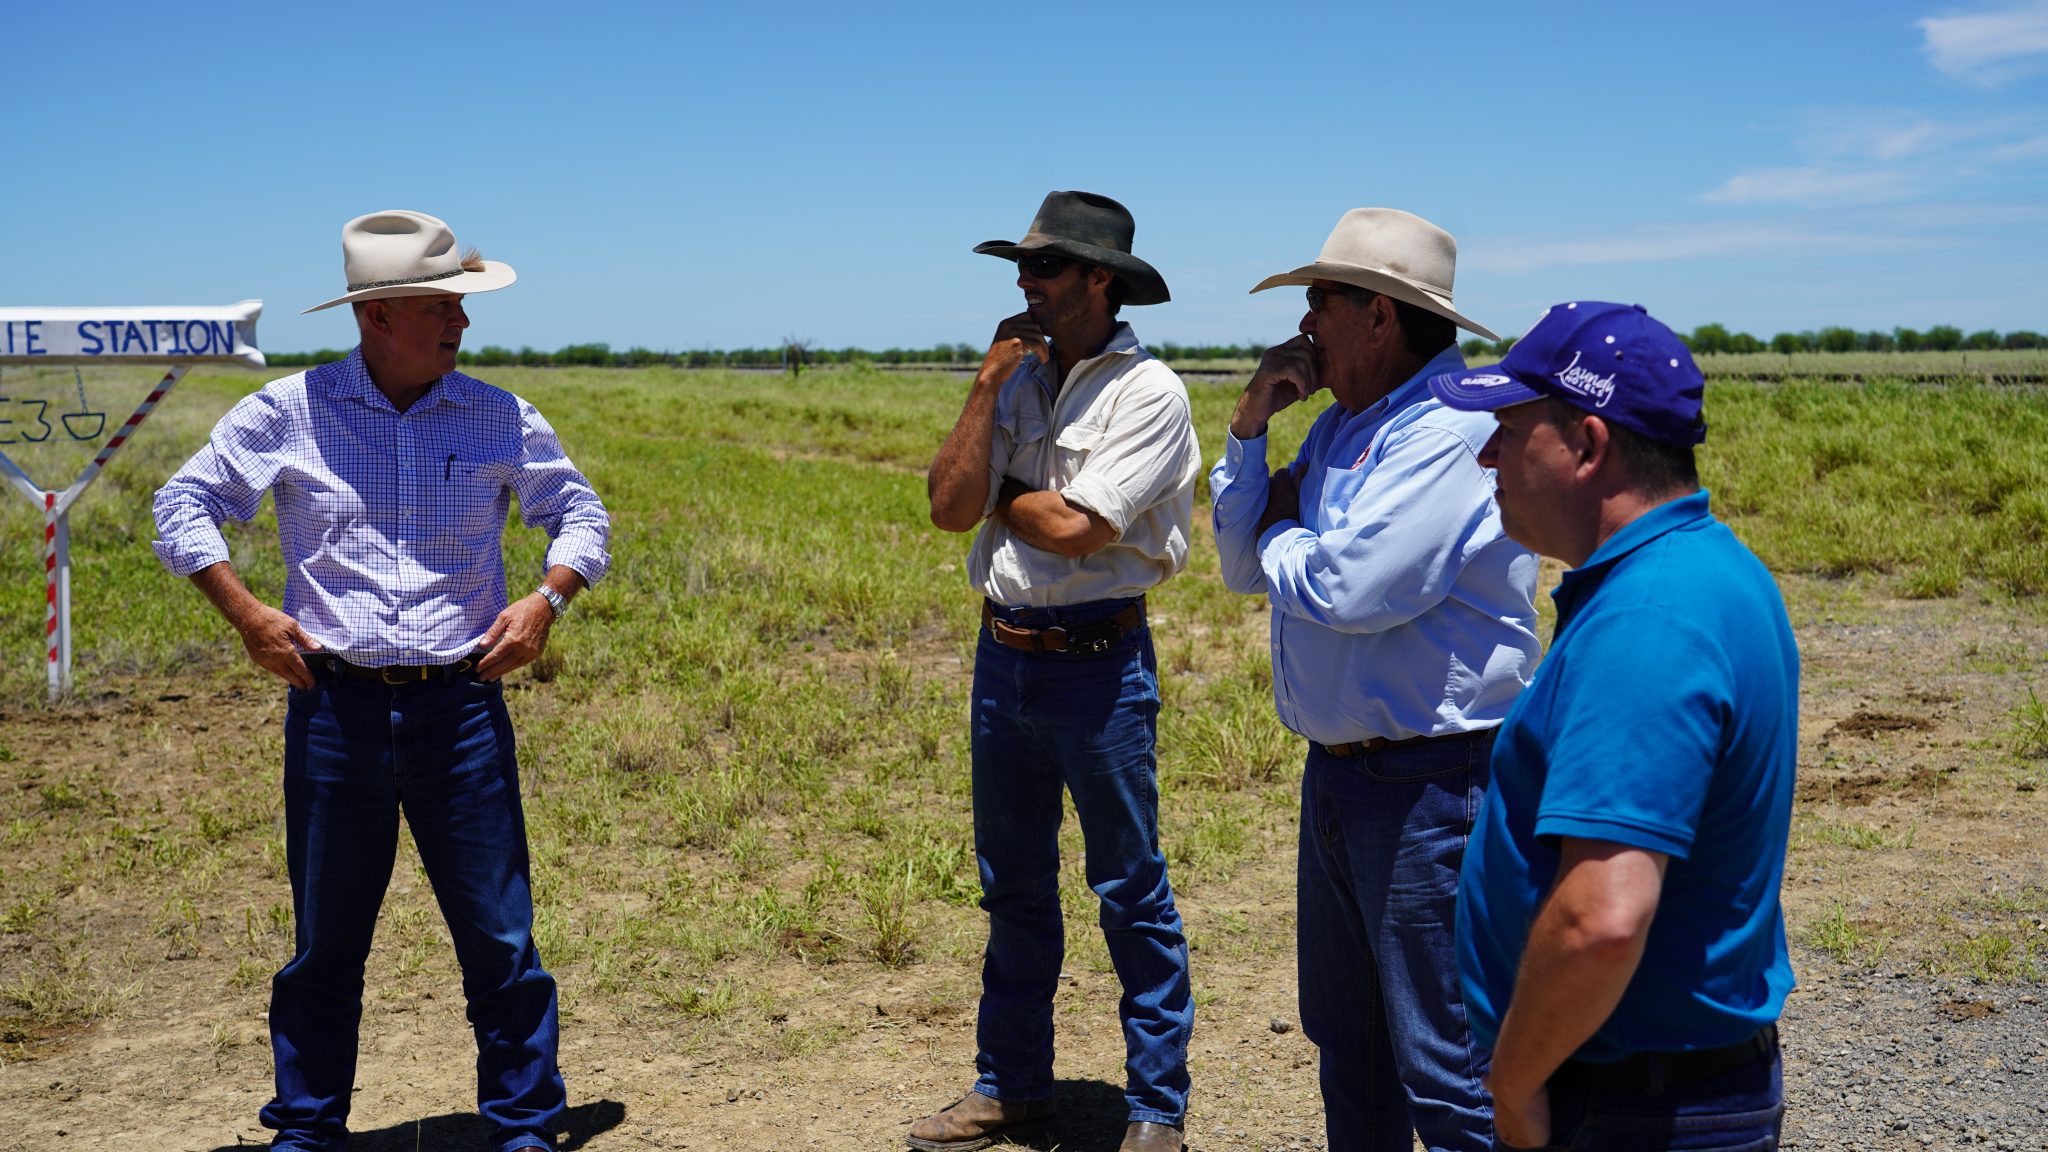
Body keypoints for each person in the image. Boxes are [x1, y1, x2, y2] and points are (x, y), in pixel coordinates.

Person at [151, 210, 611, 1152]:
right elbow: (181, 504)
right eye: (441, 305)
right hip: (336, 709)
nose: (461, 324)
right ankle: (307, 1131)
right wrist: (244, 613)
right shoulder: (289, 411)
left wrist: (546, 602)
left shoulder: (497, 414)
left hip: (461, 708)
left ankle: (524, 1125)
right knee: (326, 942)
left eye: (460, 306)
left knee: (499, 936)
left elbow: (582, 517)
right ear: (378, 316)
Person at [1209, 208, 1541, 1152]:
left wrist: (1282, 531)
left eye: (1320, 300)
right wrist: (1248, 427)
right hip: (1347, 775)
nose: (1305, 323)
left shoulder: (1445, 429)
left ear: (1380, 315)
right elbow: (1244, 567)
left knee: (1446, 1065)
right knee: (1349, 1046)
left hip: (1435, 786)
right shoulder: (1346, 428)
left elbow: (1351, 588)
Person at [1431, 302, 1799, 1151]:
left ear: (1588, 446)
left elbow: (1603, 919)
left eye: (1509, 429)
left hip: (1631, 1107)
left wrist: (1515, 1085)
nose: (1487, 454)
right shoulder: (1705, 570)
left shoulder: (1649, 620)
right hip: (1657, 1088)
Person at [916, 190, 1201, 1152]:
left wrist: (1000, 490)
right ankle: (1010, 1088)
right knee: (1013, 887)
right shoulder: (1019, 378)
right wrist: (986, 388)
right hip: (1005, 661)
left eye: (1045, 269)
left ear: (1099, 281)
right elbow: (949, 508)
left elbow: (1082, 532)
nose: (1026, 286)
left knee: (1128, 886)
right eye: (1021, 270)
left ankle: (1156, 1107)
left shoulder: (1150, 392)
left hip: (1099, 666)